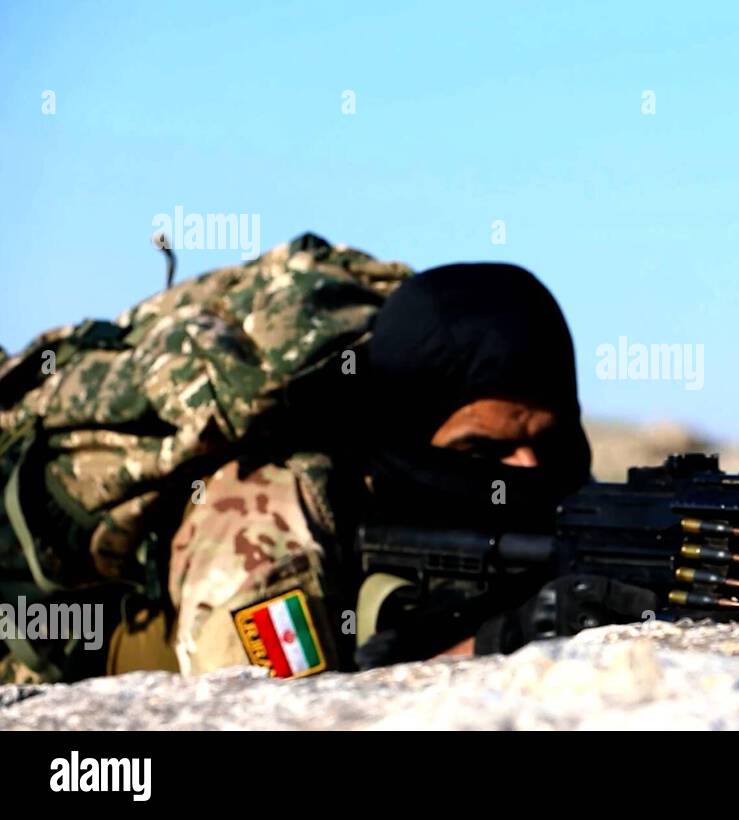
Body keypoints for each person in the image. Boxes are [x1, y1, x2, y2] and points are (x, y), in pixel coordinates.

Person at [0, 234, 595, 682]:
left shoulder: (554, 481)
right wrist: (485, 650)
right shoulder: (264, 515)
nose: (527, 471)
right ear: (408, 431)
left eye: (551, 439)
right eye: (482, 450)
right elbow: (267, 709)